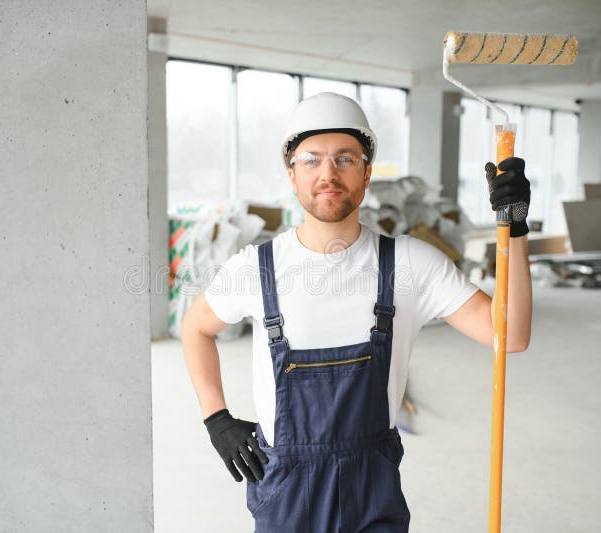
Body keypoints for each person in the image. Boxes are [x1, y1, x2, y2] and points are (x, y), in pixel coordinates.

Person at [181, 92, 532, 532]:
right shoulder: (256, 268)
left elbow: (510, 334)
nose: (327, 174)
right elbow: (195, 328)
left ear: (367, 174)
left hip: (372, 491)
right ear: (292, 175)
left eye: (345, 159)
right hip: (286, 494)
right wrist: (217, 420)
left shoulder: (409, 264)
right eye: (311, 160)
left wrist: (514, 228)